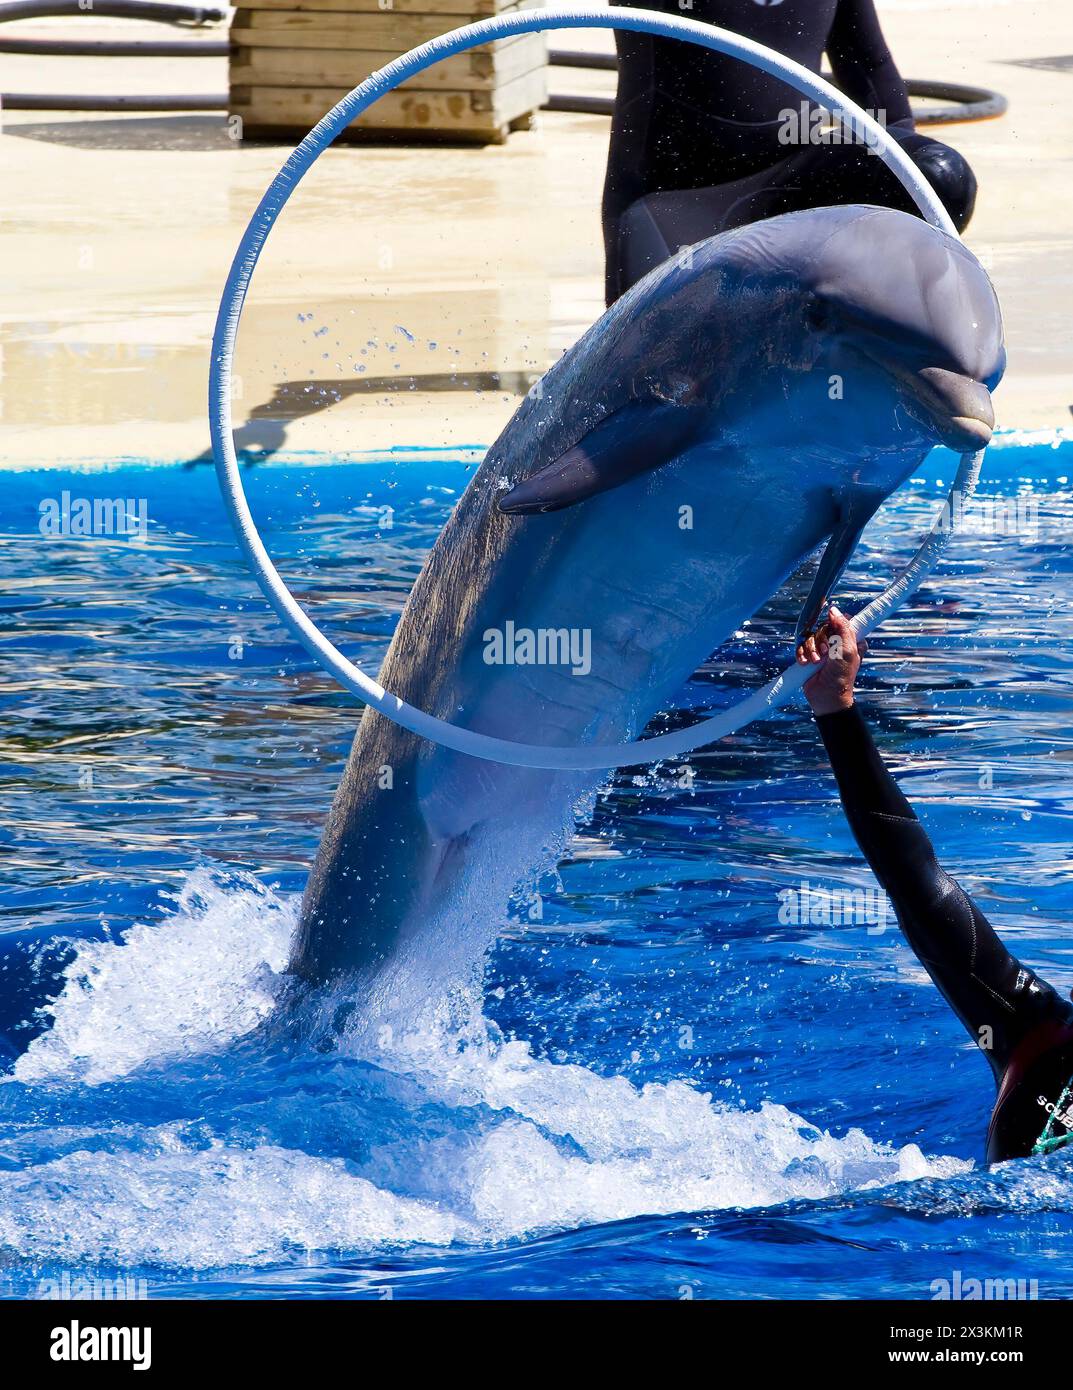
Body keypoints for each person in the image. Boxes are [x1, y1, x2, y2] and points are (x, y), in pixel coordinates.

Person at [797, 606, 1073, 1164]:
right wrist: (837, 705)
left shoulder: (1033, 1036)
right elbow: (917, 884)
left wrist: (836, 709)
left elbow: (917, 883)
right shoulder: (1030, 1029)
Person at [604, 0, 978, 304]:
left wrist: (909, 214)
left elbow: (869, 69)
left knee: (938, 176)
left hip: (791, 197)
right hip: (677, 210)